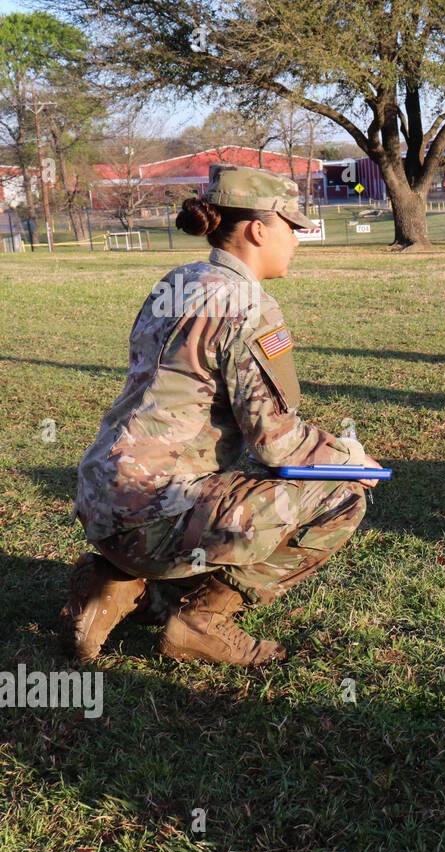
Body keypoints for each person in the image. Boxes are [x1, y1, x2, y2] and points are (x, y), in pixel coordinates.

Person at [62, 165, 384, 666]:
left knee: (240, 478)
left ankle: (114, 582)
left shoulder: (177, 281)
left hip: (102, 501)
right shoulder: (250, 305)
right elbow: (278, 443)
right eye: (291, 226)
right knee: (340, 495)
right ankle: (197, 624)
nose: (297, 239)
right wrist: (349, 457)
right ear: (259, 228)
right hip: (156, 512)